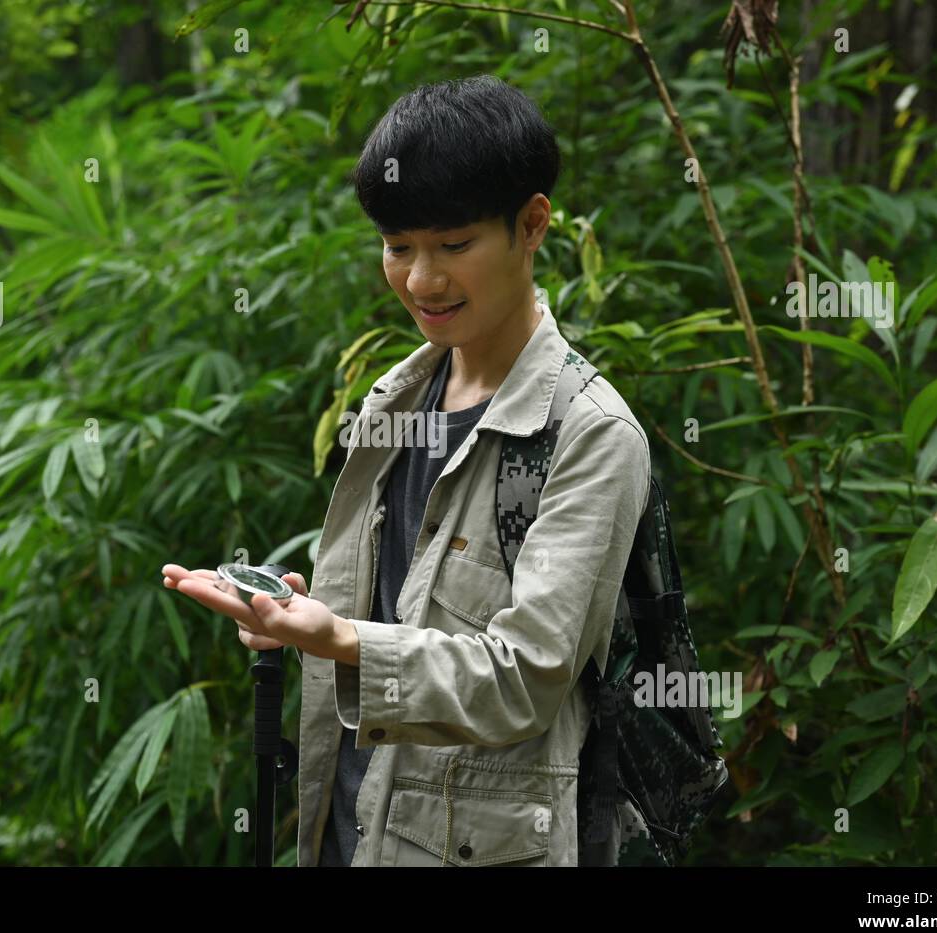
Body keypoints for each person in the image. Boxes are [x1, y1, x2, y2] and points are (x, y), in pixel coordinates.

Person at [162, 74, 651, 866]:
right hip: (350, 834)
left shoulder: (590, 435)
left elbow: (526, 678)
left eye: (454, 245)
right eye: (398, 248)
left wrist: (347, 638)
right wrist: (297, 617)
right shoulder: (398, 396)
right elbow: (400, 605)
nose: (421, 280)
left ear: (531, 225)